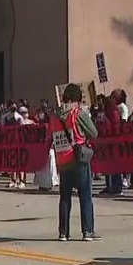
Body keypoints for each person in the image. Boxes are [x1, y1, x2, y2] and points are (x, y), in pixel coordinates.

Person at [50, 83, 100, 241]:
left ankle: (63, 232)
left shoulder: (56, 115)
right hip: (78, 157)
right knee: (85, 195)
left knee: (64, 197)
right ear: (77, 99)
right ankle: (87, 231)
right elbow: (94, 132)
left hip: (62, 159)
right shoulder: (78, 114)